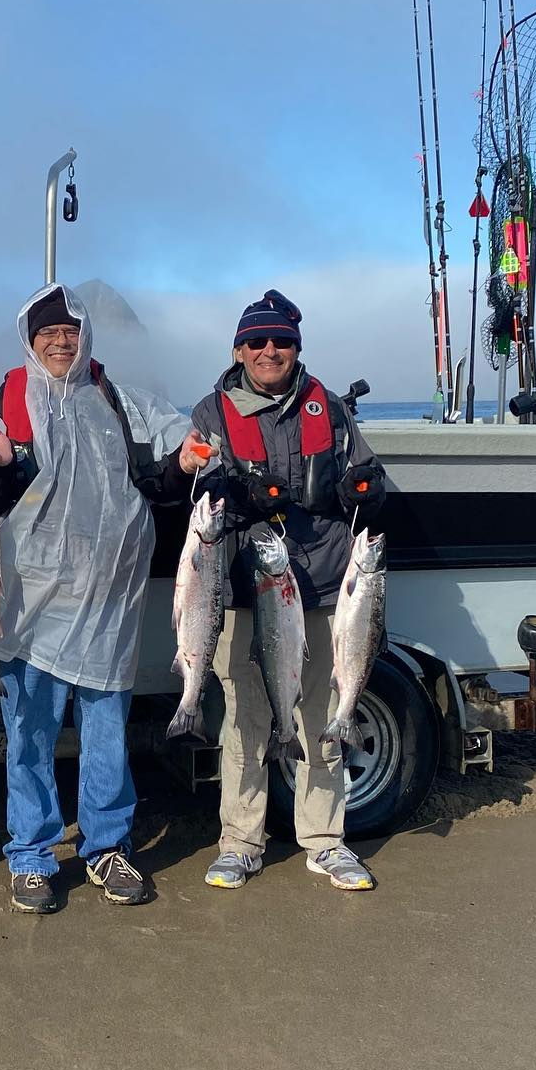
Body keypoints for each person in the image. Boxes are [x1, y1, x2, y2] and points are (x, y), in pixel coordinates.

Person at [0, 283, 193, 914]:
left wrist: (194, 454)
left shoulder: (117, 399)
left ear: (85, 337)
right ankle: (31, 855)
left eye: (71, 333)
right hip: (27, 606)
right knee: (29, 734)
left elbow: (174, 444)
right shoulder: (6, 399)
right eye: (48, 335)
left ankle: (107, 846)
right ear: (30, 342)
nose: (61, 343)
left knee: (106, 734)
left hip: (108, 601)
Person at [186, 289, 386, 892]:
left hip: (325, 589)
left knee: (324, 716)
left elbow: (369, 475)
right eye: (257, 341)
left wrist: (364, 489)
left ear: (297, 347)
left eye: (282, 341)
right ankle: (241, 842)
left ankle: (325, 841)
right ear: (239, 350)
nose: (270, 350)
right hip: (249, 591)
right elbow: (193, 483)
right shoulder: (211, 411)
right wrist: (225, 484)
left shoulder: (329, 408)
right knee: (245, 723)